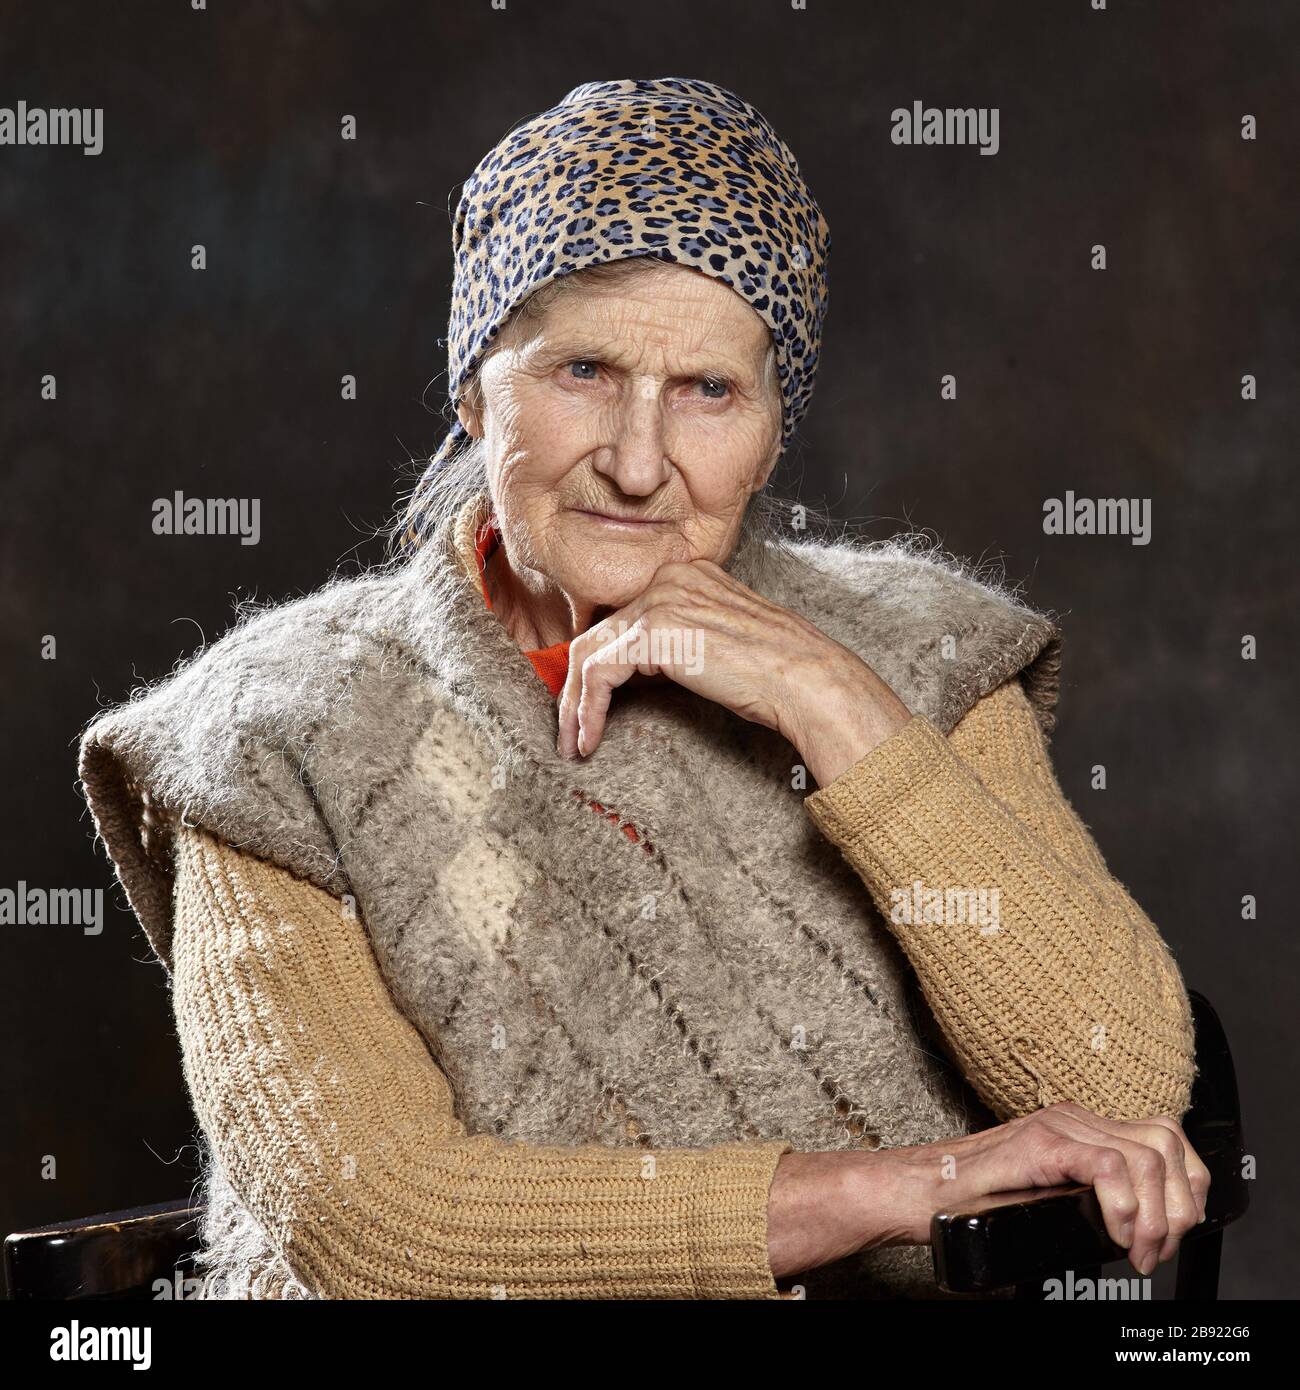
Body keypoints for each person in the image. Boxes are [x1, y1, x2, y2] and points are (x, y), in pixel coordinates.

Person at [78, 77, 1206, 1300]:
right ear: (473, 391)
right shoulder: (268, 737)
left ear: (775, 427)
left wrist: (837, 704)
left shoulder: (915, 649)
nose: (633, 460)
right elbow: (375, 1225)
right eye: (580, 371)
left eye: (707, 392)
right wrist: (895, 1186)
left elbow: (1123, 1081)